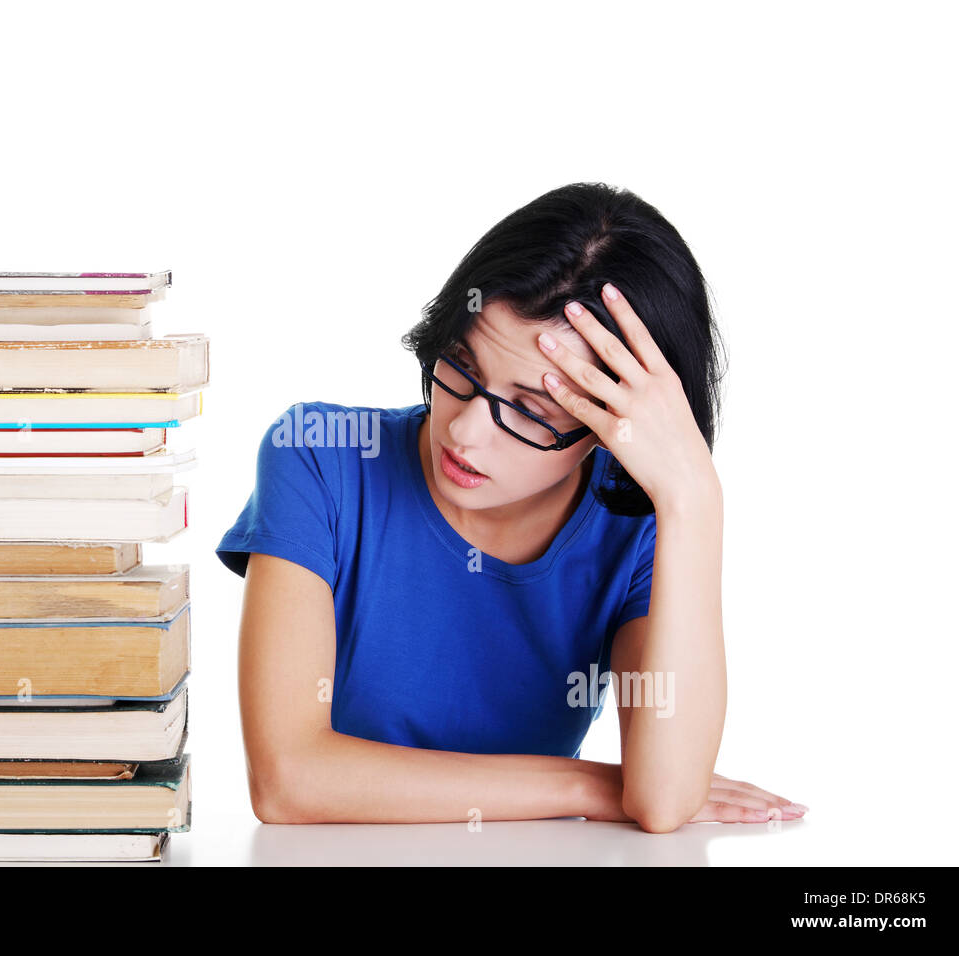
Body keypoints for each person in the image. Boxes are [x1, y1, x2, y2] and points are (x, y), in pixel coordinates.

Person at [216, 183, 807, 832]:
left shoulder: (634, 531)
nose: (464, 431)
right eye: (462, 367)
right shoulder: (317, 458)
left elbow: (664, 799)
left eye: (531, 410)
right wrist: (594, 784)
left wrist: (695, 497)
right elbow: (288, 782)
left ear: (611, 426)